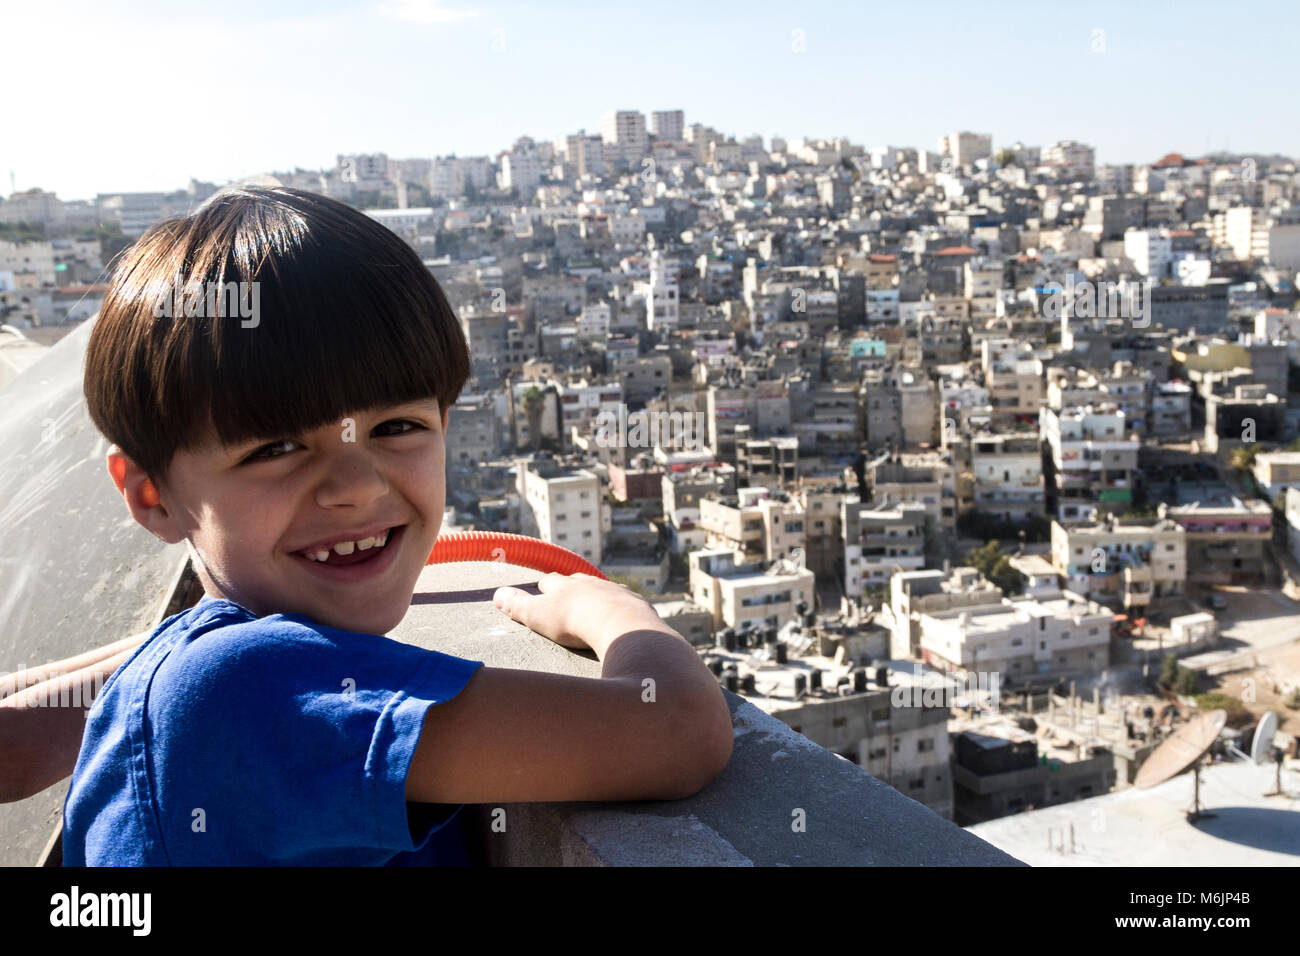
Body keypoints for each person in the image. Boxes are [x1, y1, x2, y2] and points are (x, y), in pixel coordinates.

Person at [10, 185, 732, 865]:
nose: (356, 485)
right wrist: (612, 611)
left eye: (396, 425)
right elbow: (675, 732)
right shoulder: (240, 687)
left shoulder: (187, 674)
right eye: (278, 447)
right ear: (150, 495)